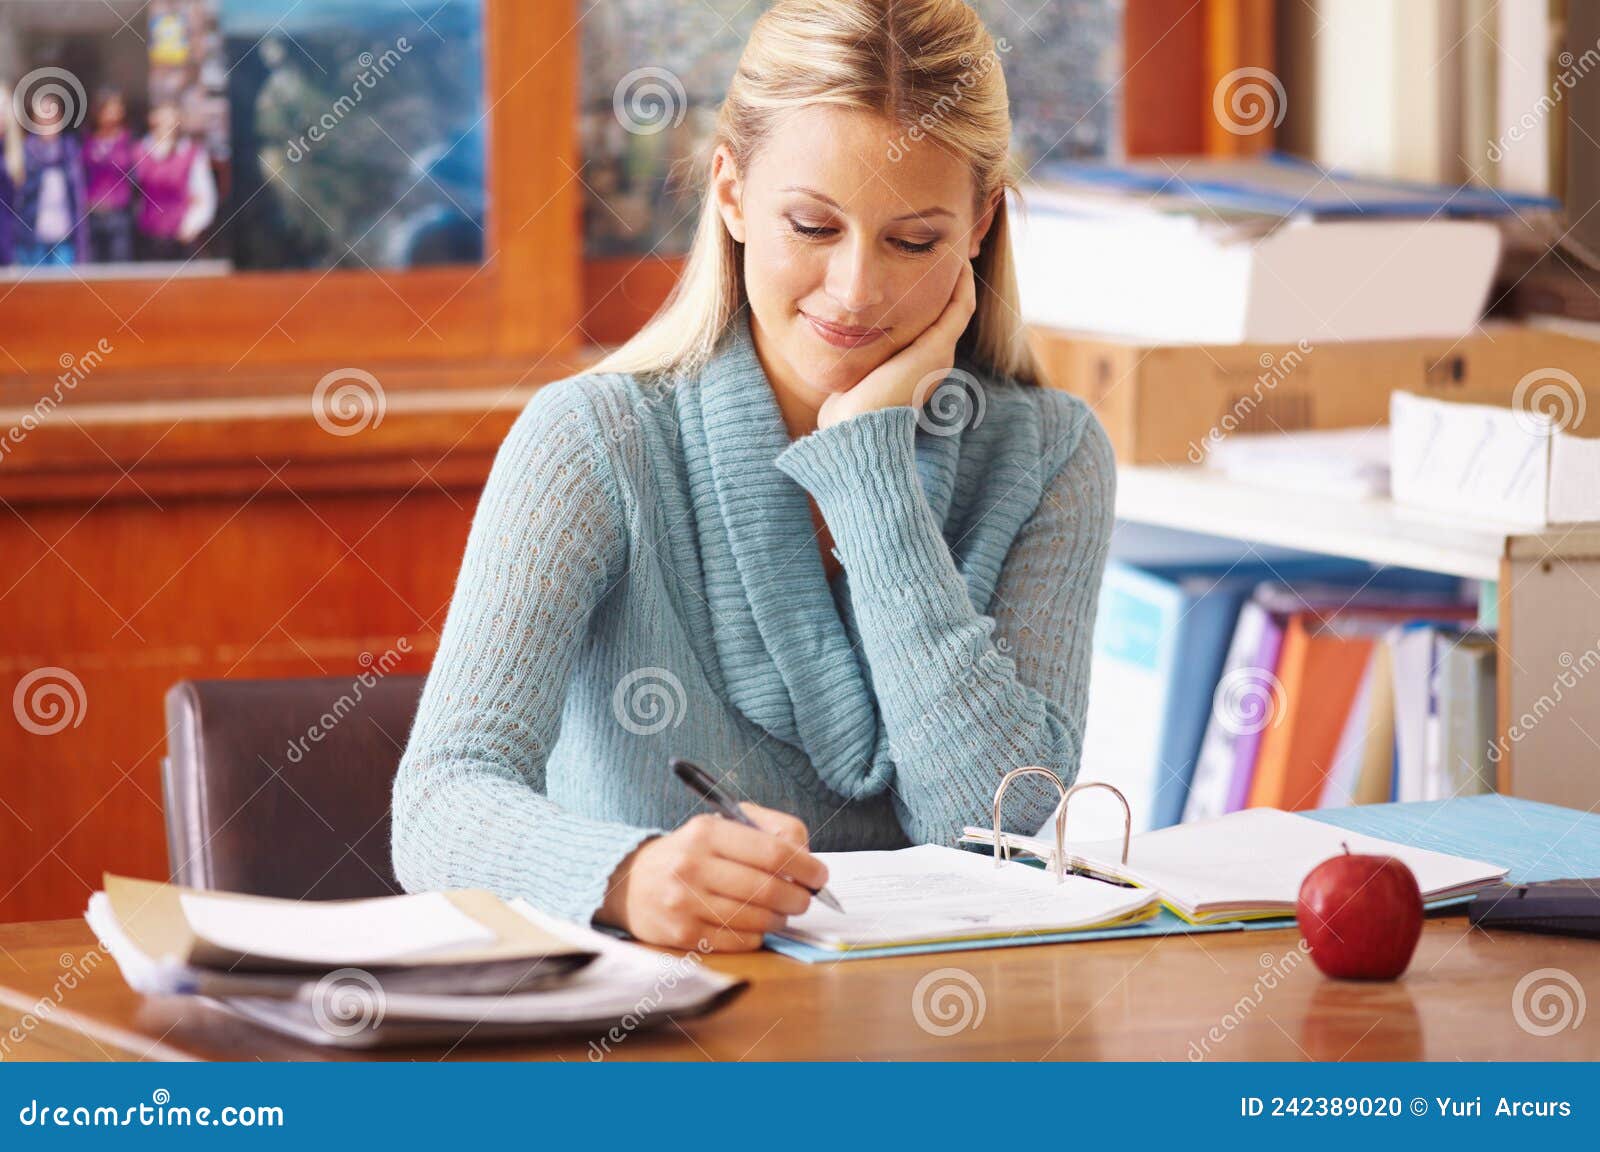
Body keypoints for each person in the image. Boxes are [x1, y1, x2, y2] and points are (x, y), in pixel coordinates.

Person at [391, 0, 1116, 952]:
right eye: (813, 226)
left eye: (913, 241)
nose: (857, 291)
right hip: (664, 1016)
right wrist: (625, 876)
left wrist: (869, 472)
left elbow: (990, 829)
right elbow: (439, 801)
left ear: (980, 225)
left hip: (936, 1020)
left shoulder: (1050, 453)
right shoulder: (595, 440)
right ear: (731, 192)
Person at [132, 102, 217, 262]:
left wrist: (191, 225)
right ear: (152, 120)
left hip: (182, 239)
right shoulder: (138, 151)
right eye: (163, 120)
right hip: (147, 238)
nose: (168, 125)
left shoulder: (192, 153)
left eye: (172, 121)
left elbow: (204, 195)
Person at [15, 90, 88, 268]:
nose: (47, 123)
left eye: (52, 117)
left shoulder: (70, 151)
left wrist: (83, 243)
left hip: (64, 238)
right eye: (41, 118)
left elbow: (78, 197)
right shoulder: (24, 151)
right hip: (32, 240)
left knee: (64, 285)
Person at [83, 89, 138, 264]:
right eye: (108, 109)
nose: (113, 113)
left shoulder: (128, 140)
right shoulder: (87, 141)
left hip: (119, 215)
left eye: (117, 108)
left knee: (119, 269)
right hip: (92, 215)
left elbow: (136, 177)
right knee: (93, 268)